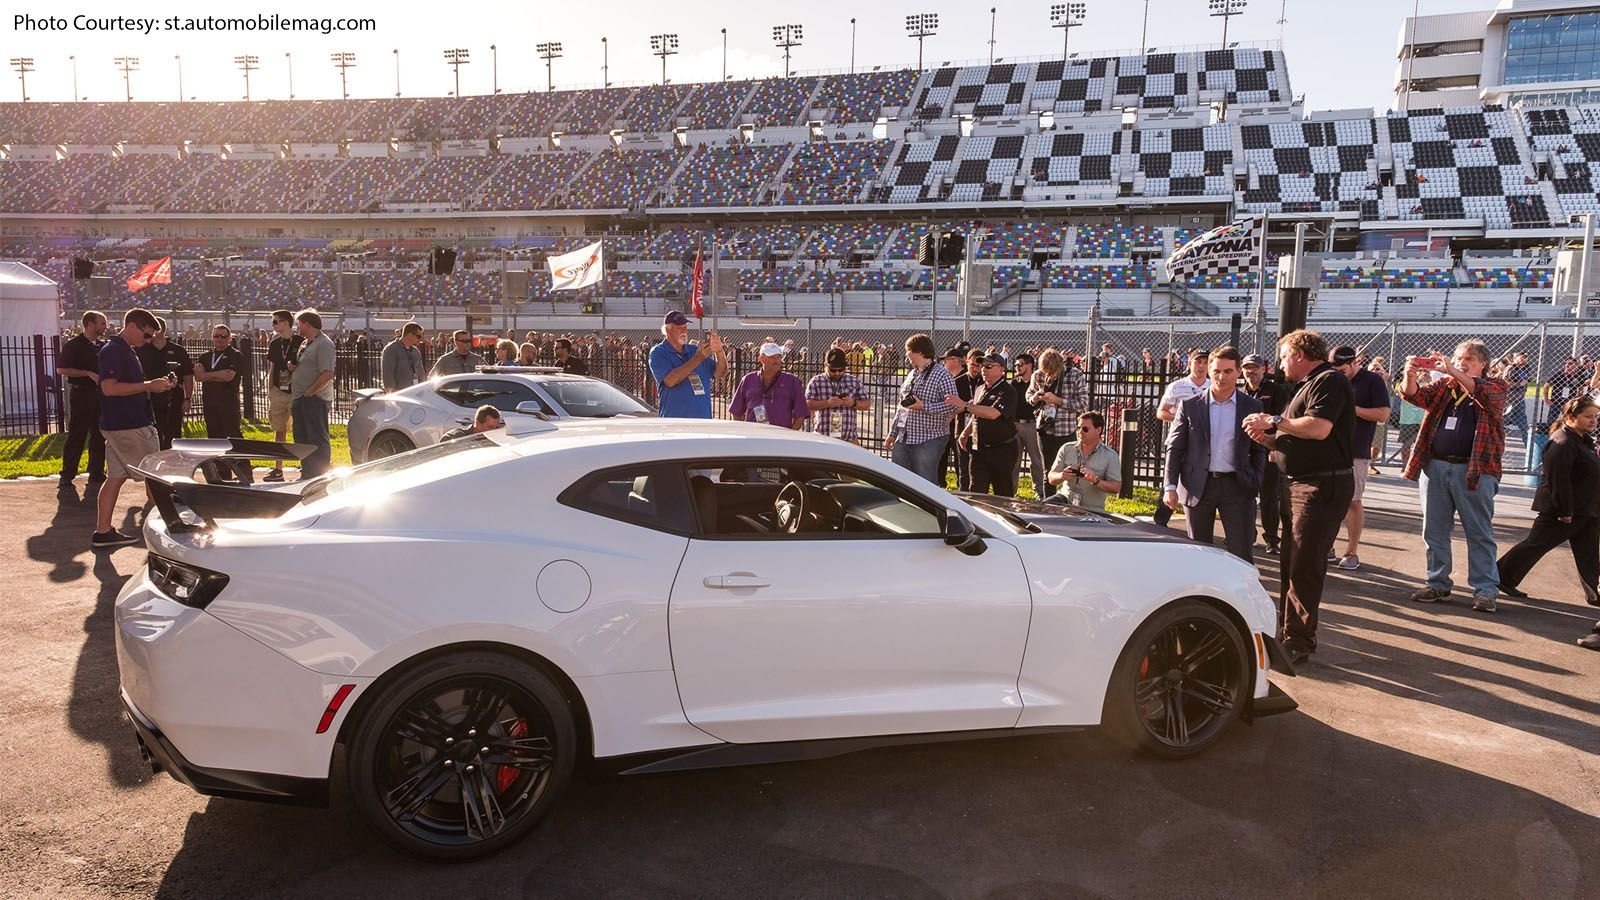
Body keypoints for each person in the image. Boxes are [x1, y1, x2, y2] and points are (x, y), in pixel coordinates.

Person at [1243, 329, 1355, 665]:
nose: (1280, 364)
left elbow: (1319, 429)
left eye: (1283, 356)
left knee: (1304, 565)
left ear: (1299, 354)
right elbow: (1301, 441)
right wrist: (1268, 441)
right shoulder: (1308, 386)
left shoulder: (1329, 381)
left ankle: (1299, 641)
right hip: (1300, 482)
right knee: (1292, 562)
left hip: (1319, 486)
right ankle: (1288, 633)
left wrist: (1275, 420)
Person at [1401, 341, 1509, 611]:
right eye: (1458, 357)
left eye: (1469, 359)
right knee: (1434, 530)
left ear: (1483, 364)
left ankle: (1485, 590)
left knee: (1479, 532)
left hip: (1475, 471)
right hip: (1436, 466)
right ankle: (1437, 583)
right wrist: (1409, 375)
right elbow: (1413, 396)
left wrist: (1451, 370)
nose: (1461, 362)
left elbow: (1479, 391)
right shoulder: (1445, 387)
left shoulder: (1495, 386)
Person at [1164, 346, 1267, 561]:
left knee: (1241, 553)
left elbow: (1259, 448)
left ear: (1238, 372)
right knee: (1199, 553)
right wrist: (1170, 486)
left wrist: (1256, 479)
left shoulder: (1252, 405)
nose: (1221, 377)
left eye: (1228, 371)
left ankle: (1240, 593)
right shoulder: (1190, 405)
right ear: (1209, 371)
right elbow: (1175, 447)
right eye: (1217, 371)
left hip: (1237, 486)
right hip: (1198, 485)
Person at [1497, 395, 1598, 609]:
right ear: (1571, 417)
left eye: (1596, 417)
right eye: (1588, 416)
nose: (1593, 421)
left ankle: (1593, 592)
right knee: (1536, 544)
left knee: (1588, 551)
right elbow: (1557, 480)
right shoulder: (1562, 442)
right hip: (1563, 510)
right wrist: (1564, 510)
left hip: (1586, 509)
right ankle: (1498, 576)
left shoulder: (1582, 440)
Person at [92, 308, 173, 548]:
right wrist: (148, 386)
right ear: (132, 327)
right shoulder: (115, 350)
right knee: (154, 475)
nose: (147, 341)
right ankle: (170, 533)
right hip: (129, 425)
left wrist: (152, 386)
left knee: (115, 477)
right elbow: (109, 388)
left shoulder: (123, 349)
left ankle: (103, 531)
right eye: (146, 335)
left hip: (121, 423)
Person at [1331, 345, 1392, 571]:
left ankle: (1351, 551)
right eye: (1335, 370)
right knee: (1326, 500)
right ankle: (1327, 546)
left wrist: (1352, 408)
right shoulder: (1331, 379)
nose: (1339, 374)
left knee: (1352, 501)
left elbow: (1383, 414)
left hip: (1356, 451)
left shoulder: (1371, 381)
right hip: (1329, 448)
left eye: (1343, 369)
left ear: (1355, 362)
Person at [887, 332, 957, 485]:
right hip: (904, 437)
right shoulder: (912, 374)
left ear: (919, 352)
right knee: (898, 482)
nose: (906, 354)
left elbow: (952, 404)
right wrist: (893, 433)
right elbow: (902, 406)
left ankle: (928, 510)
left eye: (908, 350)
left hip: (928, 439)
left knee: (924, 484)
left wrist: (924, 406)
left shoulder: (942, 374)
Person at [1154, 349, 1211, 528]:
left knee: (1201, 479)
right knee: (1172, 477)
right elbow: (1161, 412)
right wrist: (1182, 419)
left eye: (1205, 362)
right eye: (1197, 361)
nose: (1201, 366)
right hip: (1180, 440)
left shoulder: (1213, 386)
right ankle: (1160, 520)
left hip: (1204, 443)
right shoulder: (1177, 386)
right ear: (1189, 363)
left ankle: (1197, 522)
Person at [951, 353, 1019, 496]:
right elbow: (977, 413)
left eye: (989, 366)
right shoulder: (980, 389)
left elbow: (993, 413)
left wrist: (964, 405)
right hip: (979, 449)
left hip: (1001, 449)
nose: (983, 369)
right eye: (982, 366)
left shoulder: (1008, 391)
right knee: (976, 490)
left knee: (1002, 492)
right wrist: (965, 433)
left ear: (1002, 369)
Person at [1241, 353, 1287, 554]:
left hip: (1267, 449)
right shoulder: (1239, 392)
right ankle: (1247, 535)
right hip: (1245, 451)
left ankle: (1272, 540)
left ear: (1263, 369)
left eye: (1255, 367)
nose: (1251, 371)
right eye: (1247, 367)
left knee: (1269, 496)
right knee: (1245, 494)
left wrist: (1274, 446)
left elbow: (1281, 420)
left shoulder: (1276, 391)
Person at [57, 310, 108, 493]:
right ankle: (67, 474)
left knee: (99, 434)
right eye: (102, 323)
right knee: (77, 434)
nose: (105, 327)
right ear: (90, 324)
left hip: (100, 394)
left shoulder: (103, 346)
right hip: (82, 394)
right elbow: (62, 369)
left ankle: (96, 471)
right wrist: (86, 373)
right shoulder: (74, 345)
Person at [193, 324, 248, 482]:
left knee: (234, 438)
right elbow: (198, 377)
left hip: (228, 403)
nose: (220, 339)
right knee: (215, 441)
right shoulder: (205, 356)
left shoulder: (235, 355)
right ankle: (223, 476)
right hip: (210, 403)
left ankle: (245, 474)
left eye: (223, 336)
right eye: (217, 336)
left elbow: (229, 376)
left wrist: (208, 375)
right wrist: (217, 375)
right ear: (212, 337)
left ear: (229, 338)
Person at [649, 311, 727, 419]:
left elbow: (720, 373)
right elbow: (670, 381)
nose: (684, 331)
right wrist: (697, 359)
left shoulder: (694, 351)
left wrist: (719, 352)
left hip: (703, 422)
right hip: (676, 423)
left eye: (685, 327)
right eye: (679, 328)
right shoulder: (658, 353)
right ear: (667, 330)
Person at [135, 316, 193, 452]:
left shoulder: (178, 350)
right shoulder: (140, 350)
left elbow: (188, 376)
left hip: (173, 397)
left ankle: (171, 463)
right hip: (150, 397)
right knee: (152, 432)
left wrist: (187, 398)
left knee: (173, 432)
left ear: (160, 330)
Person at [291, 309, 337, 480]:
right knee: (302, 438)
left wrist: (310, 392)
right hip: (300, 397)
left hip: (315, 398)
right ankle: (307, 471)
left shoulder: (324, 343)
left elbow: (327, 373)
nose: (298, 327)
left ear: (308, 324)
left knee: (316, 436)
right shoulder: (306, 343)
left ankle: (319, 474)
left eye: (299, 324)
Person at [1026, 348, 1089, 472]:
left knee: (1071, 471)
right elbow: (1029, 396)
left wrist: (1057, 401)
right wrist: (1036, 398)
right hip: (1045, 430)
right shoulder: (1038, 375)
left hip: (1066, 430)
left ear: (1060, 366)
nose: (1049, 375)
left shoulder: (1075, 375)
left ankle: (1068, 492)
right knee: (1048, 472)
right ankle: (1048, 492)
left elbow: (1083, 404)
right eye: (1046, 372)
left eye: (1052, 372)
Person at [1046, 411, 1123, 511]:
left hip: (1091, 508)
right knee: (1043, 508)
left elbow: (1116, 487)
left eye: (1085, 429)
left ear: (1098, 430)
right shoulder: (1067, 448)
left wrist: (1096, 481)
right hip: (1065, 501)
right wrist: (1061, 475)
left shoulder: (1110, 456)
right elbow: (1051, 478)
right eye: (1078, 428)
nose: (1080, 432)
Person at [264, 310, 305, 481]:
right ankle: (278, 469)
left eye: (276, 322)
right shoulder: (275, 343)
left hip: (295, 390)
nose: (273, 325)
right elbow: (272, 367)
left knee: (300, 430)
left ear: (286, 323)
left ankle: (305, 466)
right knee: (279, 430)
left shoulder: (300, 342)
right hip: (278, 391)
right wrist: (270, 388)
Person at [730, 342, 808, 430]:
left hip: (781, 437)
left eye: (779, 357)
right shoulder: (748, 380)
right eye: (772, 357)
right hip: (753, 436)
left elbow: (800, 414)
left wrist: (789, 435)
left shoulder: (792, 381)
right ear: (762, 359)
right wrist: (743, 431)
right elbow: (736, 411)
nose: (777, 361)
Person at [805, 348, 869, 442]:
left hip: (848, 439)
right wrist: (827, 403)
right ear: (825, 366)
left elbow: (866, 404)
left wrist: (853, 403)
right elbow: (807, 404)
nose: (837, 373)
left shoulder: (854, 381)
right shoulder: (816, 381)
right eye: (833, 370)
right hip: (823, 439)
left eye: (841, 370)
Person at [1010, 353, 1047, 497]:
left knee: (1037, 461)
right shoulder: (1013, 383)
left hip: (1032, 424)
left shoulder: (1037, 383)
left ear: (1029, 365)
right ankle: (1010, 492)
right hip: (1015, 424)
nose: (1017, 368)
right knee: (1014, 462)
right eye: (1016, 365)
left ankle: (1040, 492)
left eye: (1020, 365)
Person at [380, 321, 424, 392]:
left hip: (416, 391)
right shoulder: (391, 349)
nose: (420, 339)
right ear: (410, 335)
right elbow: (388, 373)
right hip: (400, 393)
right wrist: (390, 393)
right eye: (419, 336)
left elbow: (421, 372)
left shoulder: (415, 351)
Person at [439, 404, 505, 441]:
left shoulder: (495, 440)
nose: (494, 431)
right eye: (490, 427)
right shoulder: (455, 438)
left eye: (496, 427)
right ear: (478, 423)